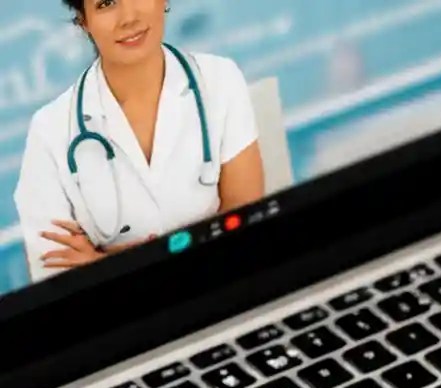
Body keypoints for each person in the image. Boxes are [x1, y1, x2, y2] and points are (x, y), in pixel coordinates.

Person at [14, 0, 264, 284]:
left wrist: (105, 263)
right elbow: (55, 277)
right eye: (106, 4)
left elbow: (248, 227)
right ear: (84, 21)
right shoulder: (49, 130)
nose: (129, 17)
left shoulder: (220, 80)